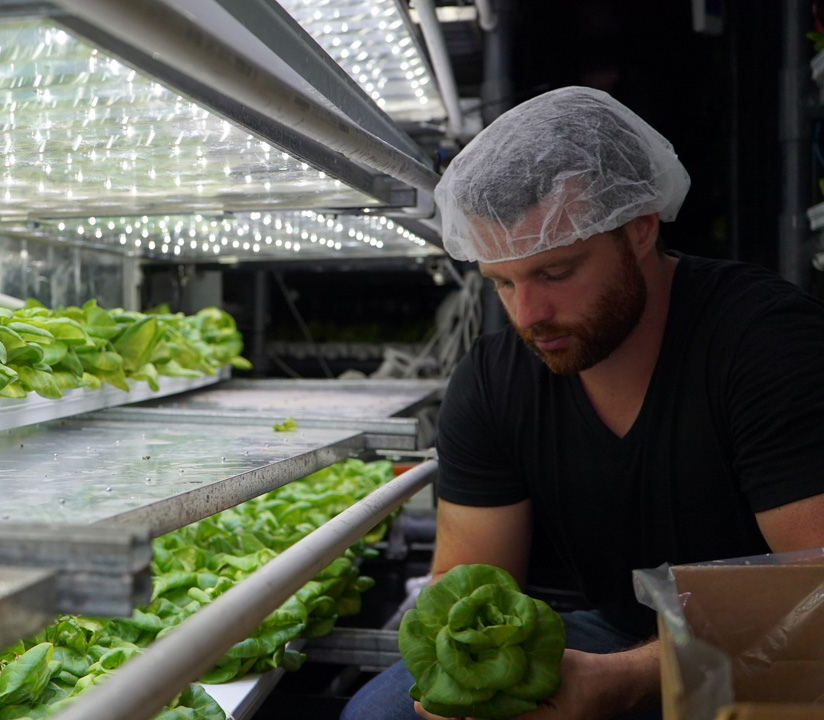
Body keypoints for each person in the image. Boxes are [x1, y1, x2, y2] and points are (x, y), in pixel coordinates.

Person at [342, 86, 824, 720]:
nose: (528, 315)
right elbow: (463, 589)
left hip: (782, 654)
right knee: (383, 713)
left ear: (641, 228)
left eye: (556, 272)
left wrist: (621, 681)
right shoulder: (493, 382)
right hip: (617, 633)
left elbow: (814, 594)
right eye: (502, 282)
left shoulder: (764, 344)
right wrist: (456, 676)